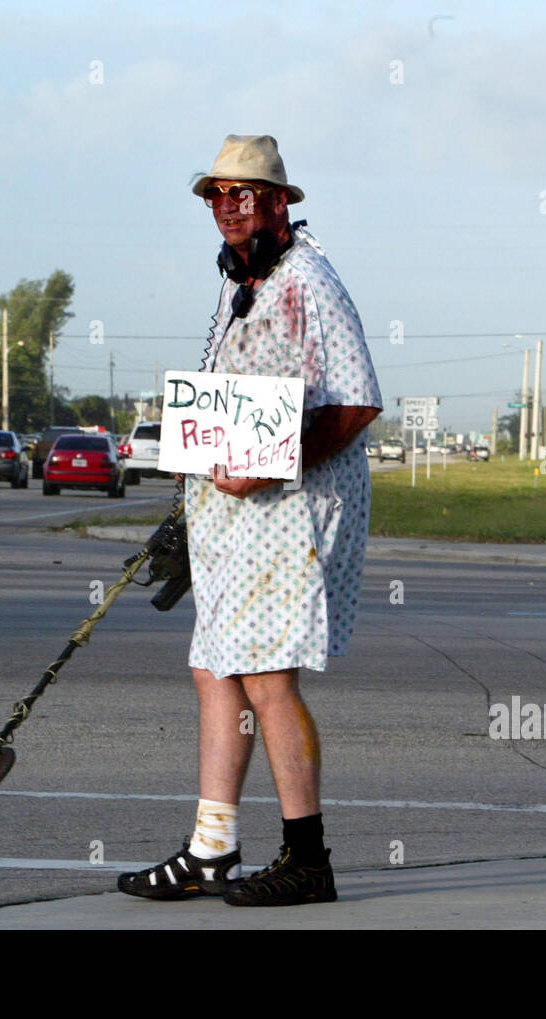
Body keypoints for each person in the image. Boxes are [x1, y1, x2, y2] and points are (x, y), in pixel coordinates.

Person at [118, 135, 382, 907]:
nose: (228, 206)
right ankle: (211, 846)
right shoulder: (246, 285)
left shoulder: (308, 281)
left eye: (245, 193)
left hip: (294, 508)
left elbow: (358, 402)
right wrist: (194, 474)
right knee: (215, 668)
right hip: (234, 513)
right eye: (216, 195)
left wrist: (272, 465)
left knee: (266, 675)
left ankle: (308, 858)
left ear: (279, 203)